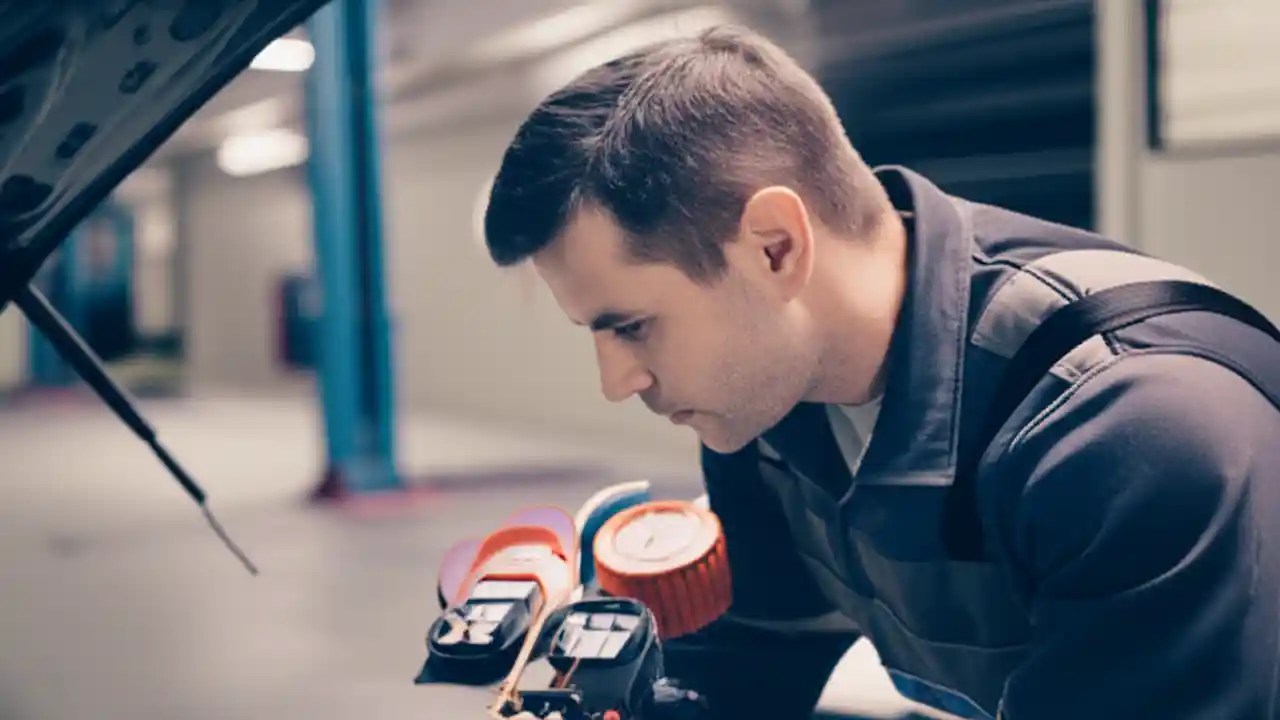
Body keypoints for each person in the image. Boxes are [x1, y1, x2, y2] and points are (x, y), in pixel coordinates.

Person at [482, 24, 1280, 720]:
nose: (616, 381)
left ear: (774, 247)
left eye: (631, 327)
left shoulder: (1137, 437)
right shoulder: (765, 407)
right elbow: (747, 665)